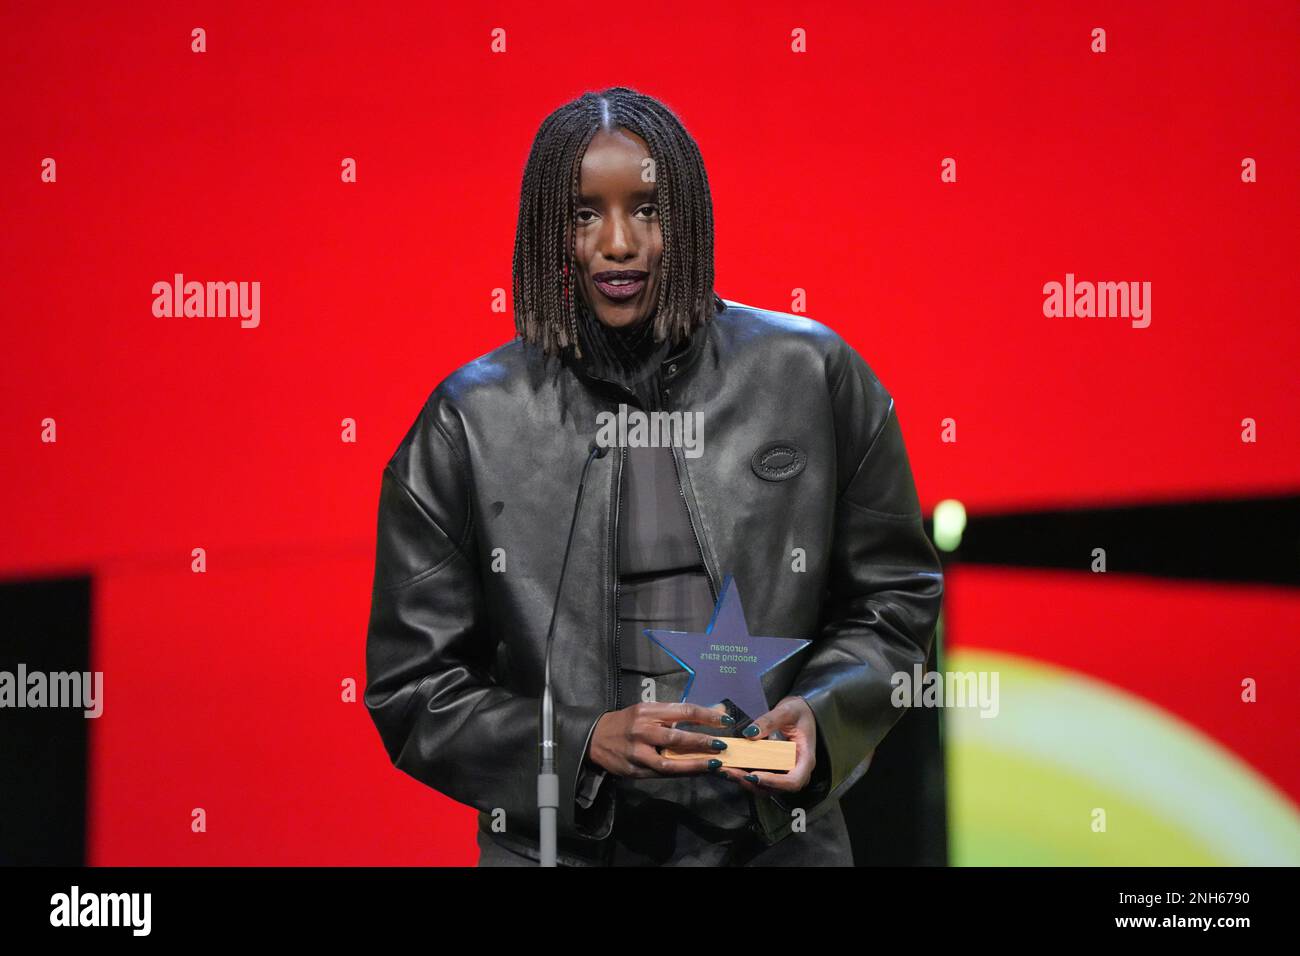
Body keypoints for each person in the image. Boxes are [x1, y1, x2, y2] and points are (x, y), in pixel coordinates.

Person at [363, 87, 944, 866]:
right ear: (548, 232)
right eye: (582, 215)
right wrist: (580, 743)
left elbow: (896, 599)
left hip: (772, 844)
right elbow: (412, 688)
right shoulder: (467, 421)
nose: (617, 242)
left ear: (690, 218)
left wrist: (821, 714)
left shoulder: (811, 376)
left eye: (646, 207)